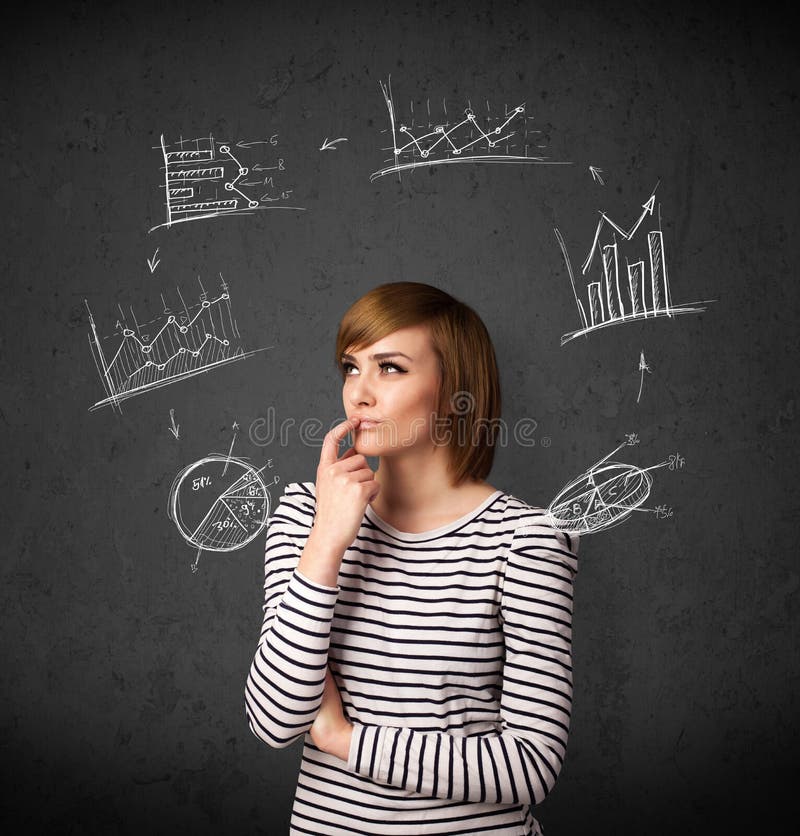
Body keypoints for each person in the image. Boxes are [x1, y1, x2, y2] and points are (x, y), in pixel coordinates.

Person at [245, 281, 579, 835]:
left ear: (454, 392)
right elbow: (275, 720)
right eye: (351, 368)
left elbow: (531, 766)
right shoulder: (306, 515)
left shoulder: (528, 539)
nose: (359, 393)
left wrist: (343, 740)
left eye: (391, 368)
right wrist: (326, 544)